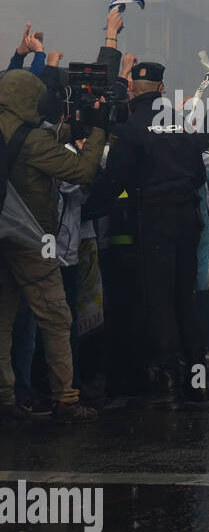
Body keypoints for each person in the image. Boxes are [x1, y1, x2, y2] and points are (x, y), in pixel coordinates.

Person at [114, 61, 209, 406]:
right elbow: (197, 175)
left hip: (153, 222)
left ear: (133, 89)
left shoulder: (131, 129)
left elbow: (117, 180)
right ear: (162, 89)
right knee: (185, 299)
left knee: (158, 300)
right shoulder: (177, 126)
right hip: (186, 221)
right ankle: (197, 380)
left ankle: (166, 375)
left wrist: (112, 202)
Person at [0, 69, 107, 422]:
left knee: (3, 324)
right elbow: (83, 171)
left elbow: (46, 134)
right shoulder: (34, 142)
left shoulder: (7, 130)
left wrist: (72, 127)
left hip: (4, 240)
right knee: (57, 319)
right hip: (34, 242)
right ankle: (65, 397)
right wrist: (98, 128)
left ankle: (5, 397)